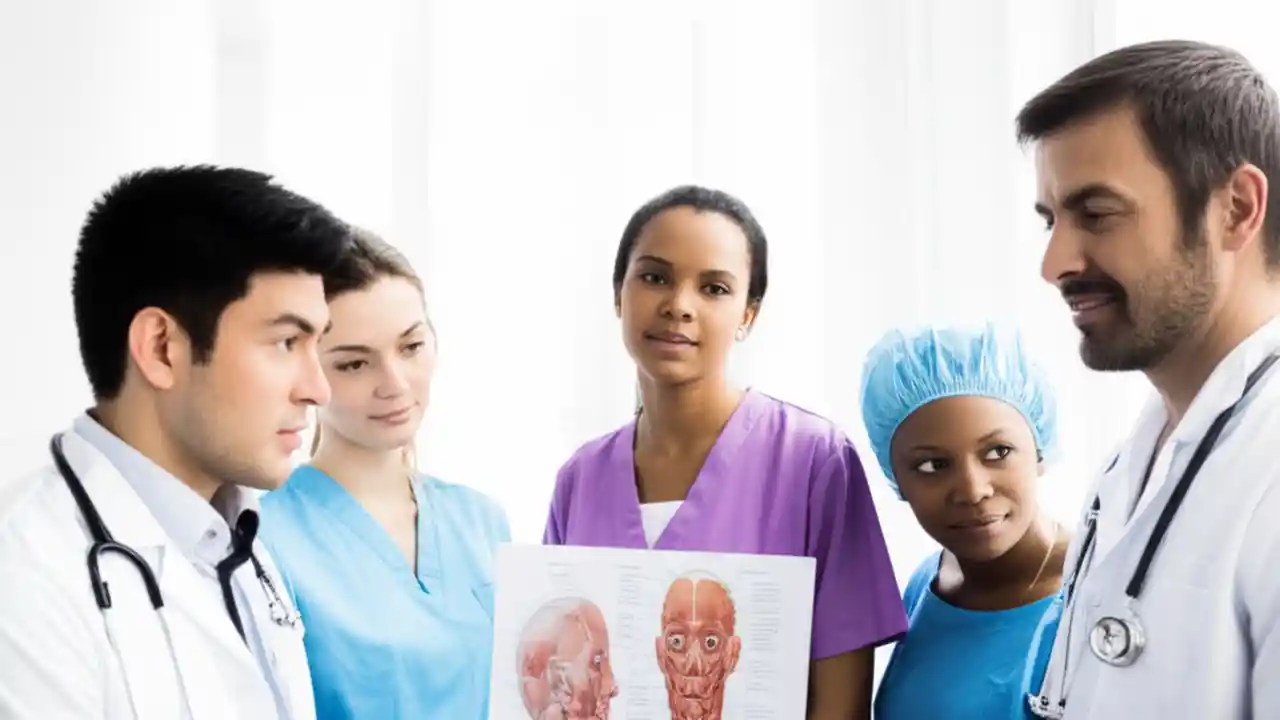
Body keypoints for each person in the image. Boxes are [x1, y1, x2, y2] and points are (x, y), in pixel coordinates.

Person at [0, 165, 351, 719]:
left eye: (317, 345)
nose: (318, 389)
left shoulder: (239, 544)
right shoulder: (22, 575)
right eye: (286, 342)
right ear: (162, 348)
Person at [542, 185, 906, 719]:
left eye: (713, 288)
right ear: (618, 293)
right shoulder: (580, 480)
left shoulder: (813, 462)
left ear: (748, 315)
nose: (678, 306)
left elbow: (841, 704)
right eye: (655, 277)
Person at [1016, 40, 1280, 718]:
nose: (1055, 263)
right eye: (1050, 220)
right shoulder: (1141, 457)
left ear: (1236, 209)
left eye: (1096, 214)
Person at [260, 229, 510, 720]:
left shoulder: (482, 522)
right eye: (354, 363)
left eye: (411, 347)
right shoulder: (263, 538)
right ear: (306, 371)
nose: (394, 385)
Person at [859, 322, 1070, 719]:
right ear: (896, 480)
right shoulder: (928, 582)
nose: (973, 490)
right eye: (933, 464)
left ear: (1039, 449)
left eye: (998, 452)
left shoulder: (1091, 596)